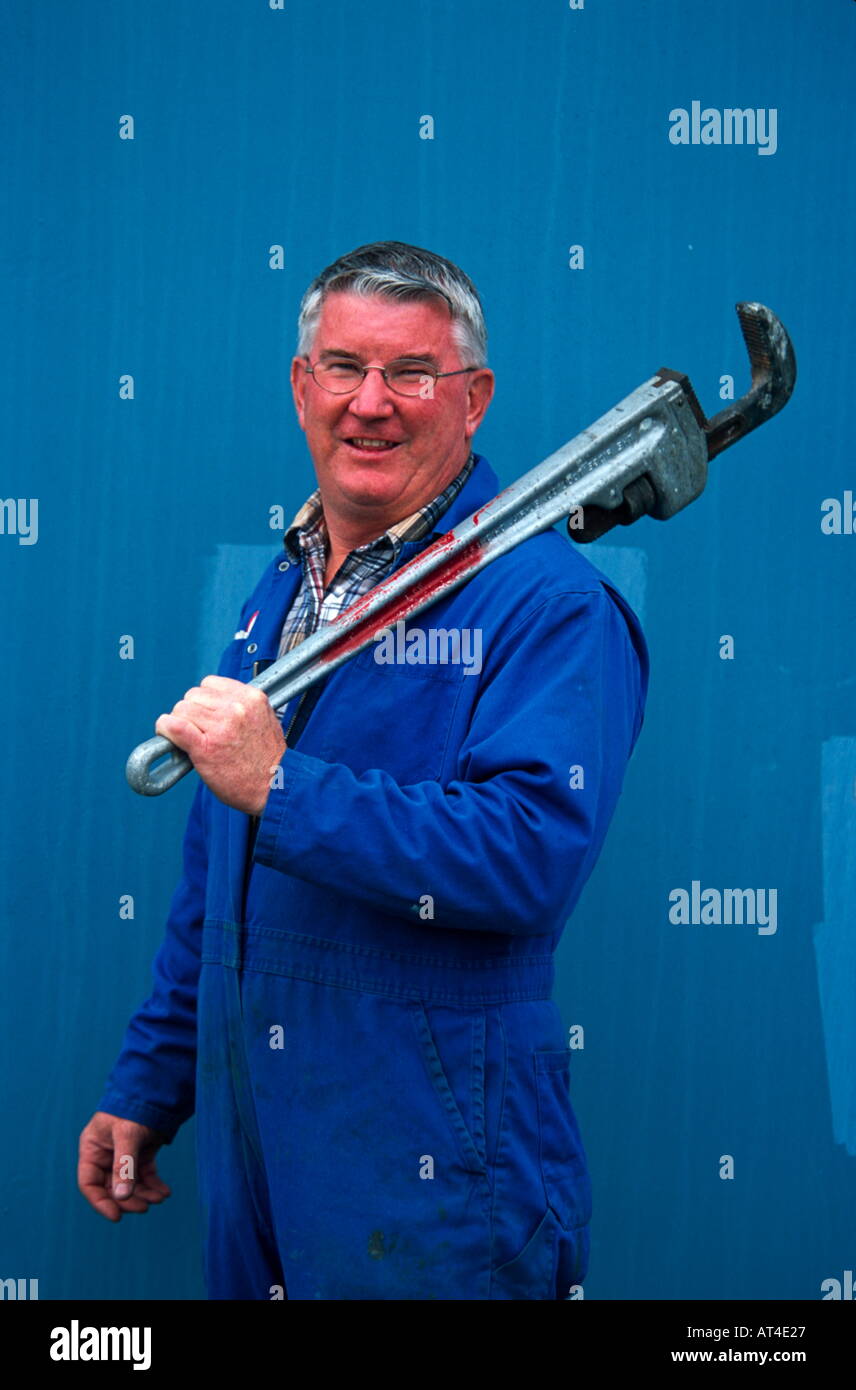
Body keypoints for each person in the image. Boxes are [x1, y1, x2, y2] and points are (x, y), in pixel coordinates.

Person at [77, 240, 649, 1300]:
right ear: (303, 386)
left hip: (434, 1186)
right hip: (262, 1172)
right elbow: (221, 871)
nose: (371, 403)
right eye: (344, 366)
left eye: (411, 374)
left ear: (472, 399)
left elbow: (529, 855)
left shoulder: (546, 604)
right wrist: (152, 1080)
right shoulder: (282, 592)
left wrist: (285, 788)